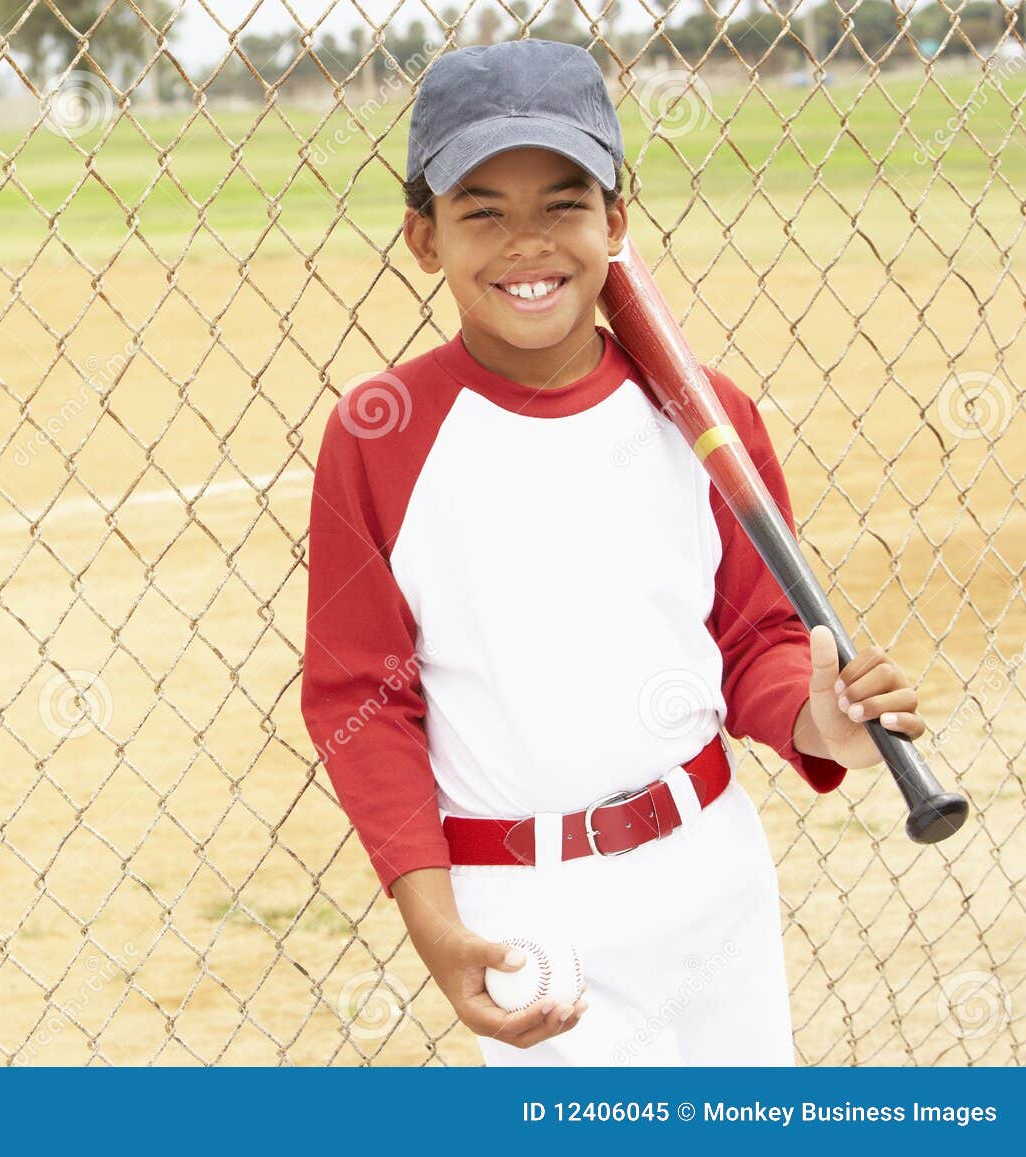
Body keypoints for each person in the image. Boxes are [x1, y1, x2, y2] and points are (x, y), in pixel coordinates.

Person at [298, 39, 927, 1065]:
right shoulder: (380, 431)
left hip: (708, 871)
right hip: (527, 907)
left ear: (615, 221)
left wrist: (817, 716)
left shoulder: (706, 414)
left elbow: (754, 636)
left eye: (563, 202)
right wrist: (431, 915)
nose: (526, 242)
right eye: (481, 210)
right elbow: (357, 695)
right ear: (423, 237)